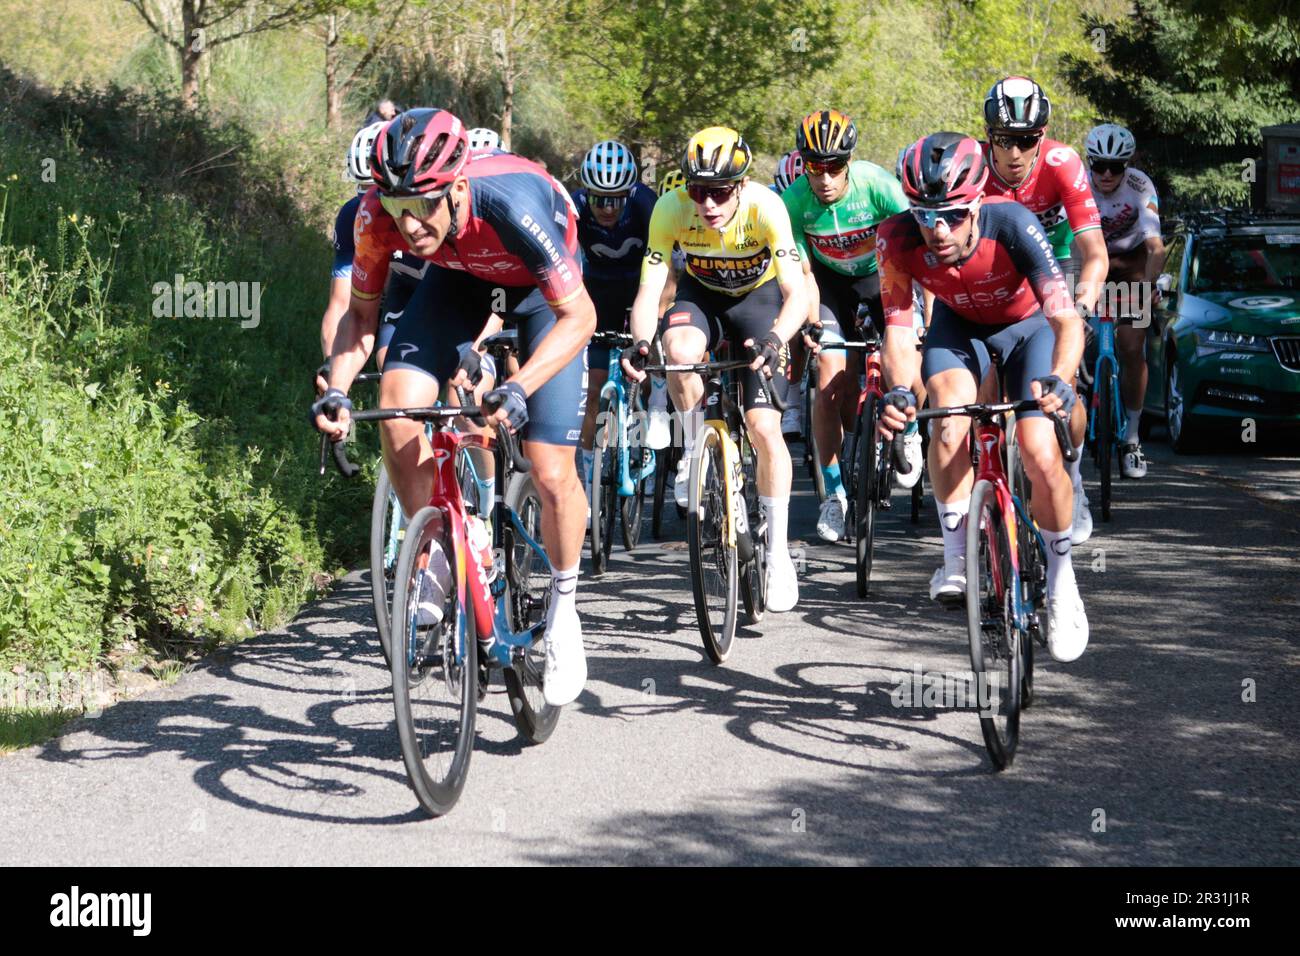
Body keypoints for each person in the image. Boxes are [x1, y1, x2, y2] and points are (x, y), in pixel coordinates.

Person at [312, 108, 596, 705]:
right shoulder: (378, 215)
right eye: (397, 208)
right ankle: (438, 551)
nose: (409, 225)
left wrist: (520, 386)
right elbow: (361, 319)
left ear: (458, 188)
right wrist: (337, 386)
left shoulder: (512, 203)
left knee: (549, 469)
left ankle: (565, 610)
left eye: (424, 205)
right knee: (396, 404)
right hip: (463, 280)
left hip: (545, 293)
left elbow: (581, 316)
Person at [878, 132, 1089, 662]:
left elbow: (1066, 319)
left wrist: (1062, 378)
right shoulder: (896, 239)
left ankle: (1063, 584)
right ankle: (955, 560)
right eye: (925, 215)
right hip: (959, 329)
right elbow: (901, 334)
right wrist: (901, 391)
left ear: (974, 205)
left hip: (1028, 328)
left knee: (1040, 448)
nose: (937, 229)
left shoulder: (1013, 223)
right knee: (947, 420)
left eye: (950, 215)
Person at [621, 126, 807, 611]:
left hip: (759, 301)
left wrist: (776, 337)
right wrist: (642, 344)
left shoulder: (767, 207)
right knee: (677, 348)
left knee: (766, 428)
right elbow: (649, 291)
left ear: (741, 187)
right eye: (698, 191)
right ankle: (692, 443)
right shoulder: (670, 209)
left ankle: (779, 554)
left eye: (720, 192)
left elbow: (797, 292)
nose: (708, 204)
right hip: (702, 296)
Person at [780, 109, 922, 543]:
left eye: (834, 166)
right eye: (814, 166)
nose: (824, 177)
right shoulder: (795, 202)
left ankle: (912, 429)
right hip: (830, 287)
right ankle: (834, 495)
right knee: (828, 382)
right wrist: (811, 326)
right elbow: (804, 276)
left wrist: (925, 317)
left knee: (908, 362)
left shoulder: (877, 185)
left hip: (884, 278)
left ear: (849, 162)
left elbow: (917, 244)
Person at [980, 76, 1108, 545]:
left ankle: (1072, 474)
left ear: (1043, 135)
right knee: (982, 387)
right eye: (1004, 141)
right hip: (997, 273)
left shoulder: (1061, 163)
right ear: (988, 136)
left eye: (1027, 141)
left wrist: (1084, 301)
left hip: (1055, 269)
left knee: (1062, 380)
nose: (1015, 154)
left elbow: (1094, 250)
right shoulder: (972, 169)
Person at [572, 140, 657, 507]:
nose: (607, 208)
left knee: (646, 371)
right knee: (593, 392)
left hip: (640, 289)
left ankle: (648, 439)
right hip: (596, 294)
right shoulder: (575, 208)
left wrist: (653, 315)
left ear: (629, 194)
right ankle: (587, 474)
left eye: (615, 200)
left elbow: (664, 269)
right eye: (598, 199)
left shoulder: (646, 205)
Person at [318, 120, 429, 384]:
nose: (369, 204)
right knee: (388, 366)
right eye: (361, 190)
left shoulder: (433, 216)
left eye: (378, 192)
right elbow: (341, 304)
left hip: (449, 288)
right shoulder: (353, 216)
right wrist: (331, 368)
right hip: (405, 286)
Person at [1085, 123, 1164, 479]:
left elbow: (1155, 248)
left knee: (1132, 347)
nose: (1105, 174)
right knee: (1070, 340)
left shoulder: (1140, 186)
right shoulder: (1078, 183)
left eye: (1115, 167)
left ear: (1126, 165)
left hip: (1131, 265)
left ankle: (1132, 436)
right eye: (1098, 165)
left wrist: (1147, 287)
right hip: (1088, 261)